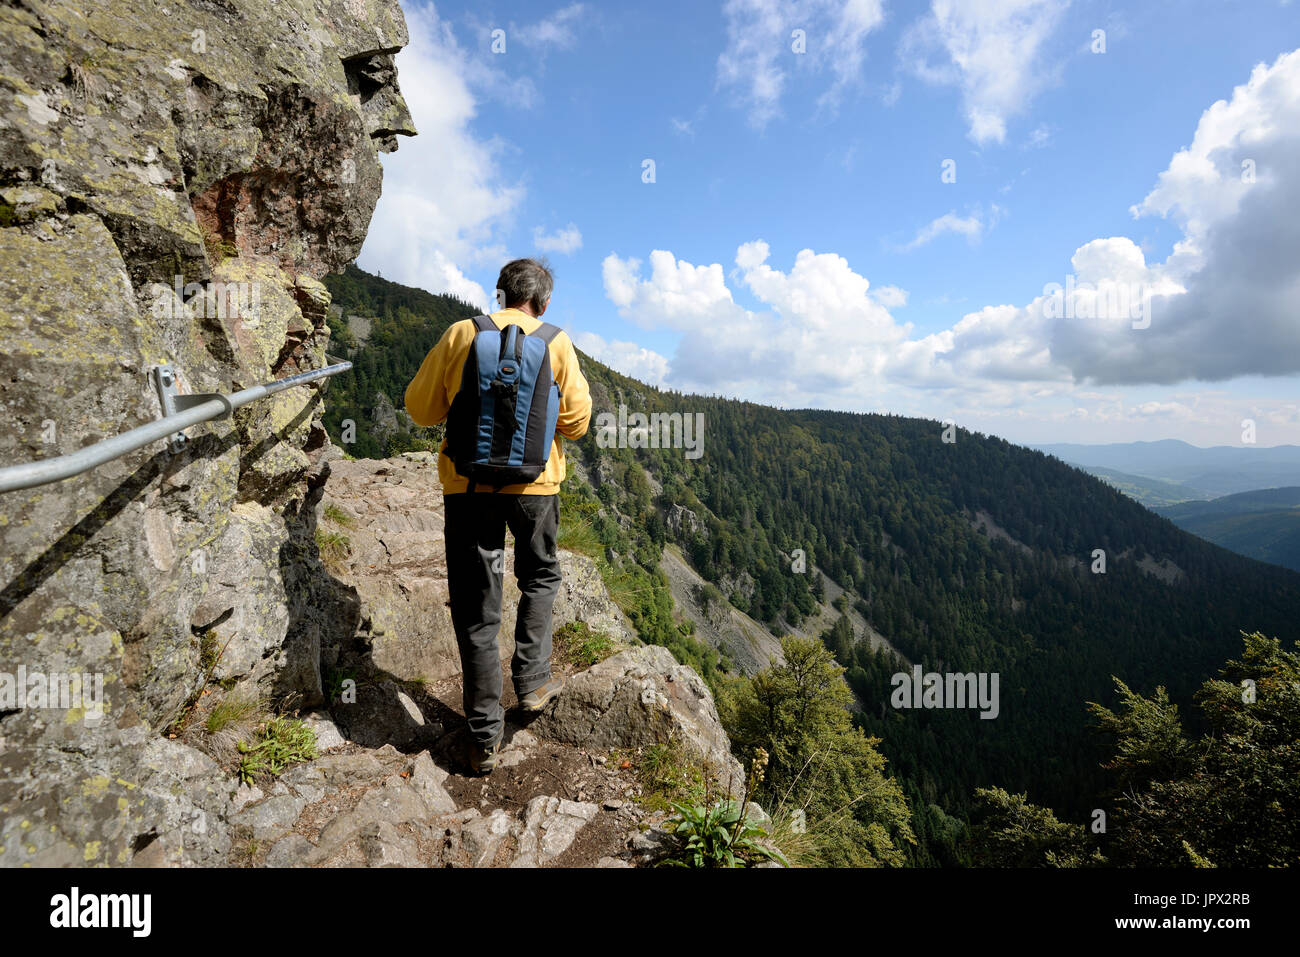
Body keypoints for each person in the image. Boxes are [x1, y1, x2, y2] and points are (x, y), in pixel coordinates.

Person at [404, 258, 592, 774]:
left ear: (500, 294)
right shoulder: (557, 342)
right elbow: (576, 423)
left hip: (468, 487)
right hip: (536, 487)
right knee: (540, 577)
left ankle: (484, 736)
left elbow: (420, 409)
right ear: (544, 302)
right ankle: (532, 683)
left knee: (476, 604)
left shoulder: (461, 334)